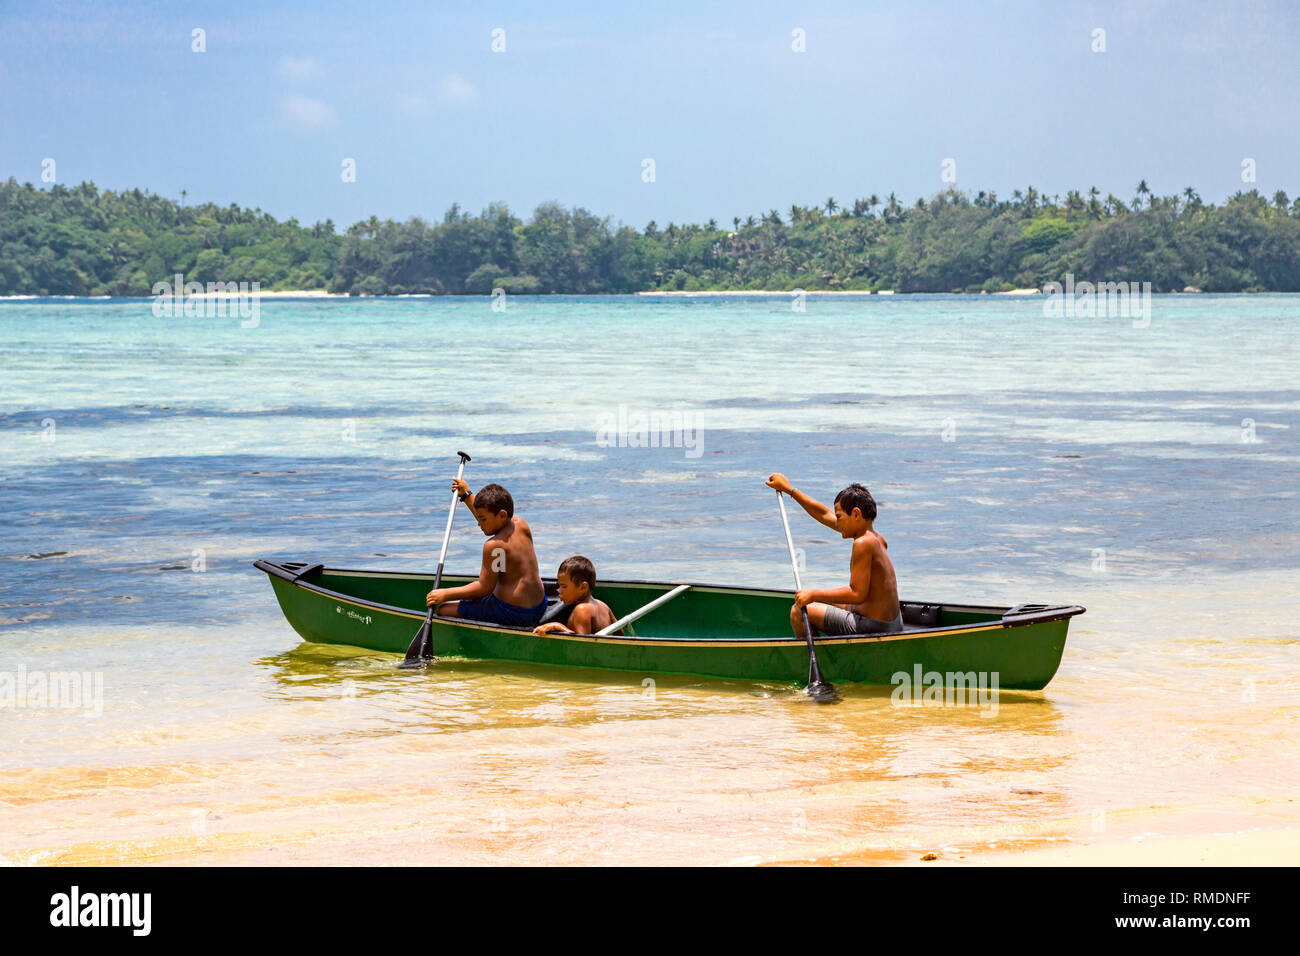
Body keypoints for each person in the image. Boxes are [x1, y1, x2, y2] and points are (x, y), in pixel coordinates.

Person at [764, 473, 902, 636]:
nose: (837, 523)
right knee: (822, 600)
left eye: (839, 517)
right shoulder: (876, 537)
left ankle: (817, 653)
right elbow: (824, 514)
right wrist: (789, 489)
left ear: (856, 514)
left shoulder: (862, 543)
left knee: (798, 611)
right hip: (892, 622)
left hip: (873, 627)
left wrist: (814, 594)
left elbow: (857, 594)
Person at [425, 480, 547, 627]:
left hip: (513, 612)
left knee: (444, 609)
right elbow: (491, 516)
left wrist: (446, 594)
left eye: (482, 520)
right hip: (539, 605)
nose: (479, 524)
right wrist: (466, 495)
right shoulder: (521, 524)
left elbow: (484, 587)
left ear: (502, 515)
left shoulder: (493, 546)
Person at [533, 555, 621, 635]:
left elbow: (580, 642)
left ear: (583, 587)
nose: (559, 591)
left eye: (564, 586)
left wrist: (557, 626)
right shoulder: (603, 606)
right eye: (559, 586)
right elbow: (619, 634)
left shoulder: (582, 609)